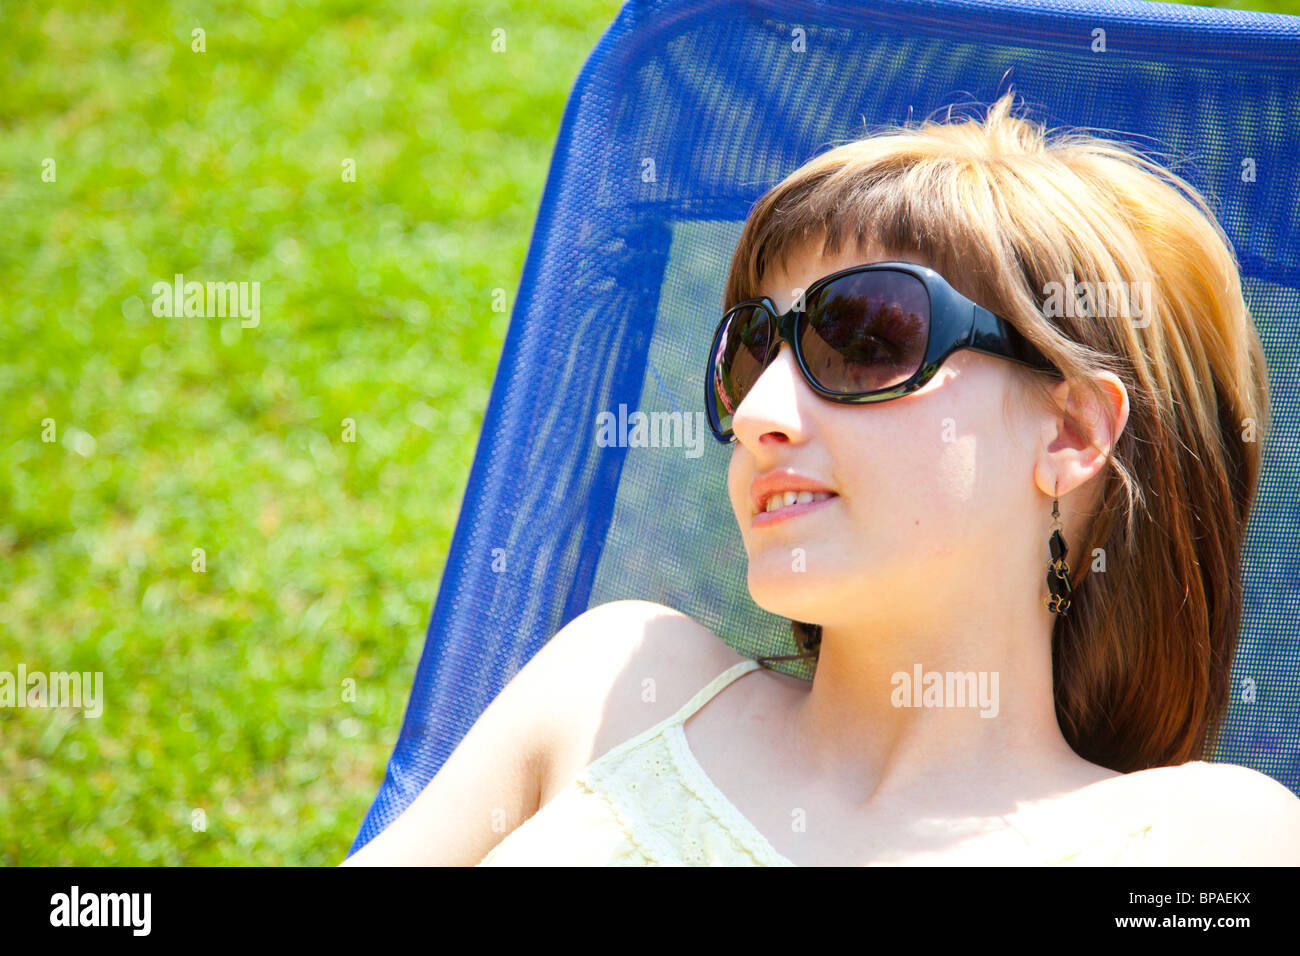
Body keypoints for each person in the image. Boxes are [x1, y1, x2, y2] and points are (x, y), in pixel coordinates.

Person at [343, 91, 1300, 866]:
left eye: (865, 340)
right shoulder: (621, 685)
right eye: (752, 350)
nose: (759, 413)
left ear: (1072, 433)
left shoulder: (1201, 838)